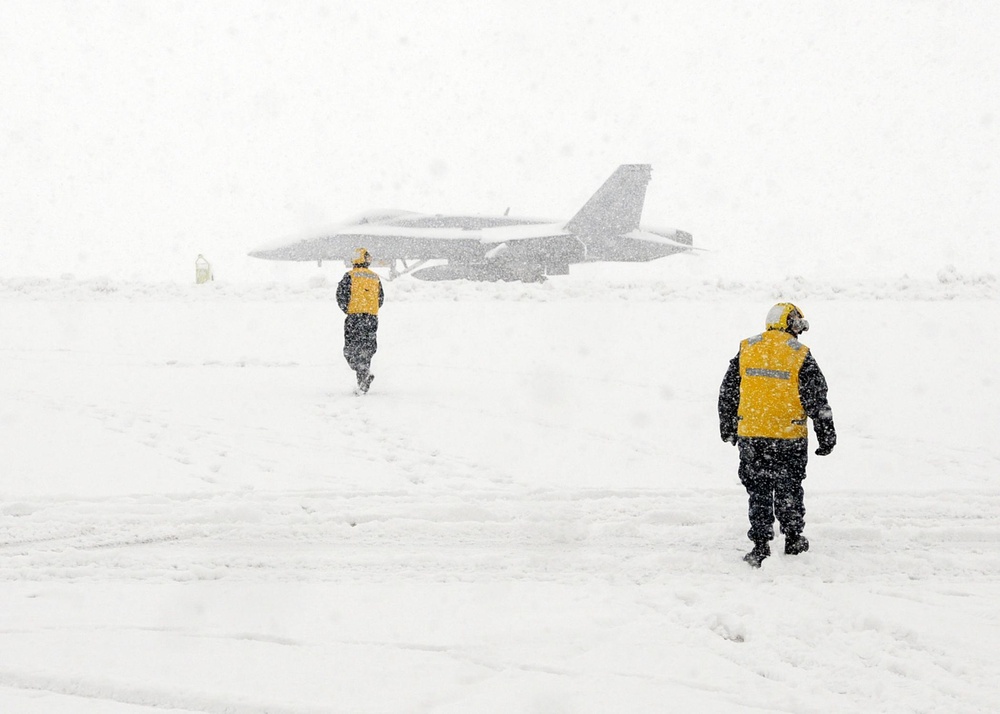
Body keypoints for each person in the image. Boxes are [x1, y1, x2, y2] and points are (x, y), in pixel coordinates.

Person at [718, 302, 836, 567]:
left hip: (752, 435)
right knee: (789, 488)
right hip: (789, 436)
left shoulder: (747, 348)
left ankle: (760, 545)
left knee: (758, 491)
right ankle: (793, 540)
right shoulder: (800, 354)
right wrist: (826, 434)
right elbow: (817, 398)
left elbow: (728, 392)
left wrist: (727, 426)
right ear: (791, 323)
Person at [336, 248, 384, 394]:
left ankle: (362, 373)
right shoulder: (375, 277)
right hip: (371, 318)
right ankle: (364, 378)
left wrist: (348, 309)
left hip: (354, 318)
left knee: (350, 350)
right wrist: (371, 310)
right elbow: (380, 298)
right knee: (367, 349)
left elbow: (340, 295)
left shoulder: (349, 276)